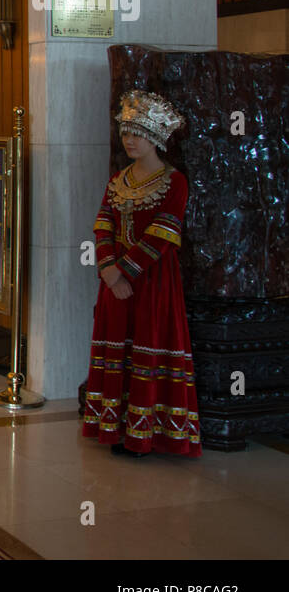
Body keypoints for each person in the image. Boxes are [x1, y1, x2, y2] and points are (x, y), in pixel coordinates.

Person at [82, 90, 200, 458]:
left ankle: (146, 433)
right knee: (117, 346)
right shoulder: (119, 179)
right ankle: (114, 428)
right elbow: (103, 224)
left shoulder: (173, 182)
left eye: (138, 133)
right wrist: (106, 269)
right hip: (114, 282)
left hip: (153, 283)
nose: (130, 140)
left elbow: (163, 233)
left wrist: (123, 273)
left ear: (156, 138)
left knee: (148, 343)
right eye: (126, 132)